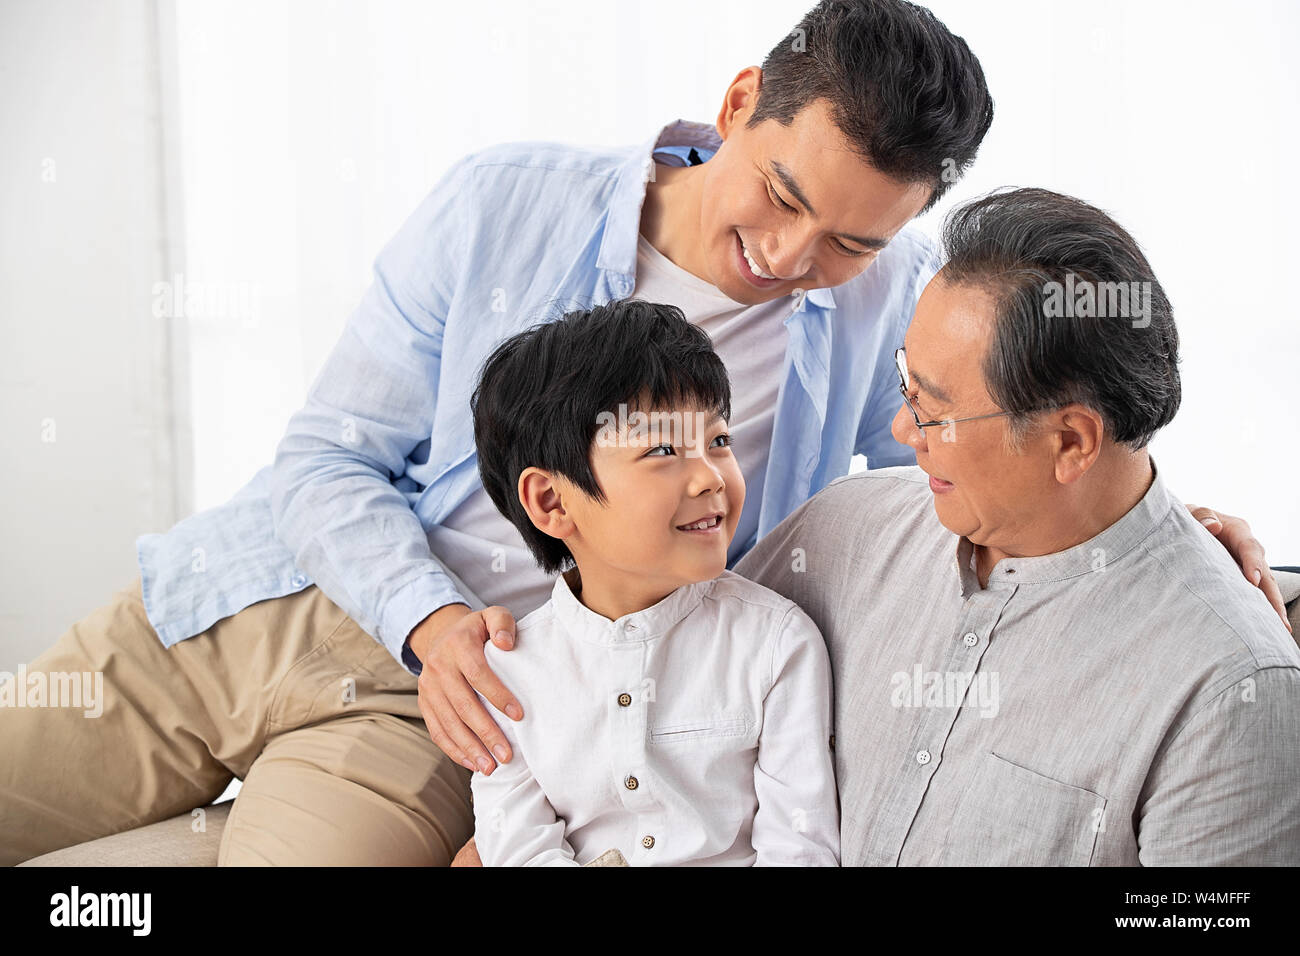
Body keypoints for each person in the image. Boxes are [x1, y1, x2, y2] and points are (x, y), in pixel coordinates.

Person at [0, 0, 1278, 866]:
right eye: (782, 198)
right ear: (737, 103)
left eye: (850, 240)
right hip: (272, 591)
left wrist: (1161, 515)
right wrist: (424, 615)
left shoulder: (893, 296)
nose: (791, 258)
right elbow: (326, 456)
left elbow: (972, 461)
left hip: (477, 700)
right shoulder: (509, 200)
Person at [730, 188, 1300, 864]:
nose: (900, 428)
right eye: (907, 384)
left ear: (1071, 443)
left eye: (935, 410)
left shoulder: (1232, 693)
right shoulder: (845, 530)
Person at [466, 300, 838, 866]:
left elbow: (801, 846)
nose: (710, 476)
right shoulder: (509, 674)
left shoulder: (777, 644)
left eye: (718, 440)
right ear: (551, 501)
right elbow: (517, 850)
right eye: (663, 450)